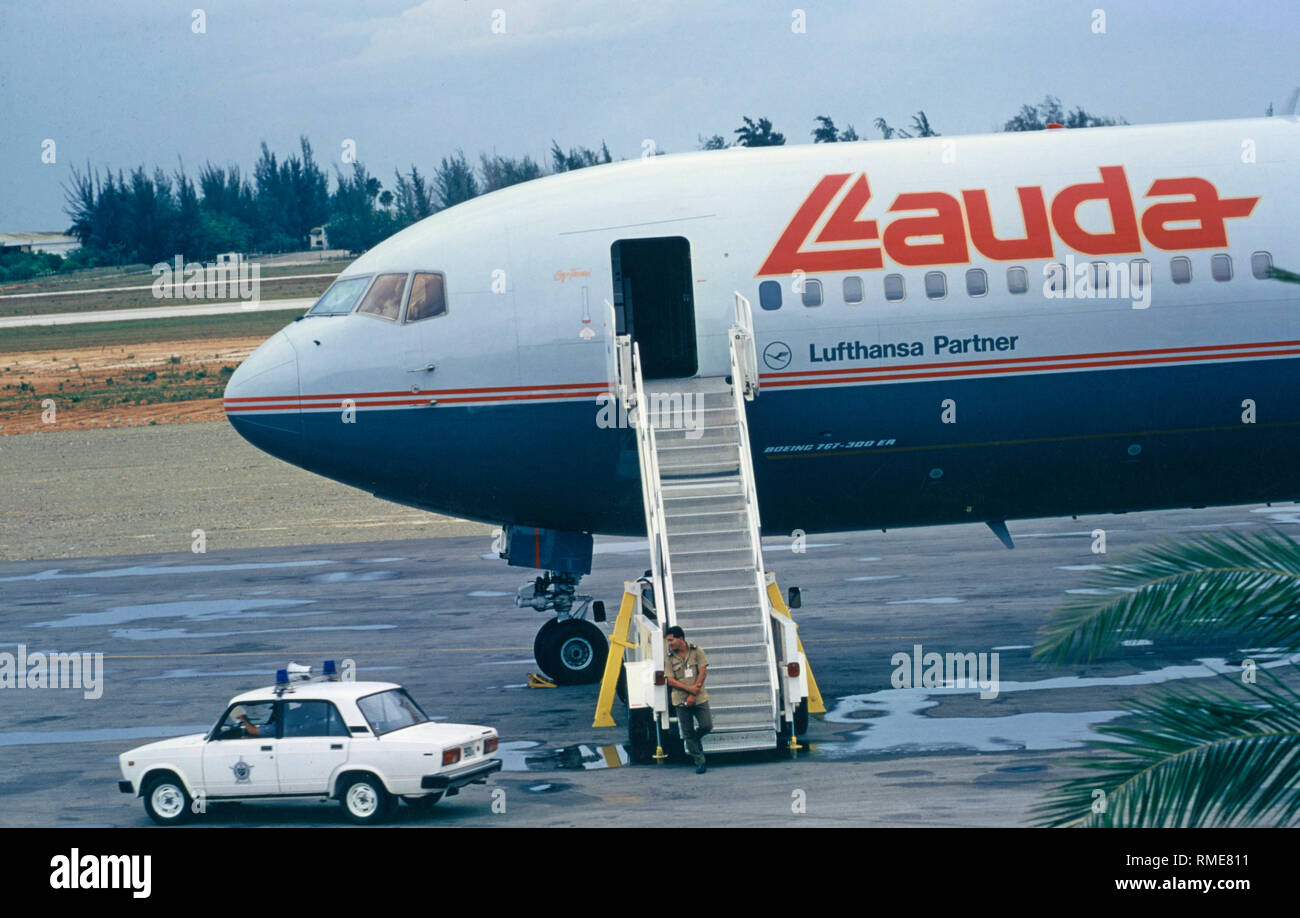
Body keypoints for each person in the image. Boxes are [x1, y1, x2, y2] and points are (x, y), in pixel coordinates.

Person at [664, 625, 711, 773]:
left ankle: (694, 742)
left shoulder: (697, 651)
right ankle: (700, 761)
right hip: (679, 699)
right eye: (668, 641)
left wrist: (693, 694)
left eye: (671, 640)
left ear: (681, 639)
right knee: (687, 731)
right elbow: (670, 680)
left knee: (706, 725)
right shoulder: (669, 657)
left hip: (699, 697)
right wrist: (689, 689)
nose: (669, 644)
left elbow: (702, 673)